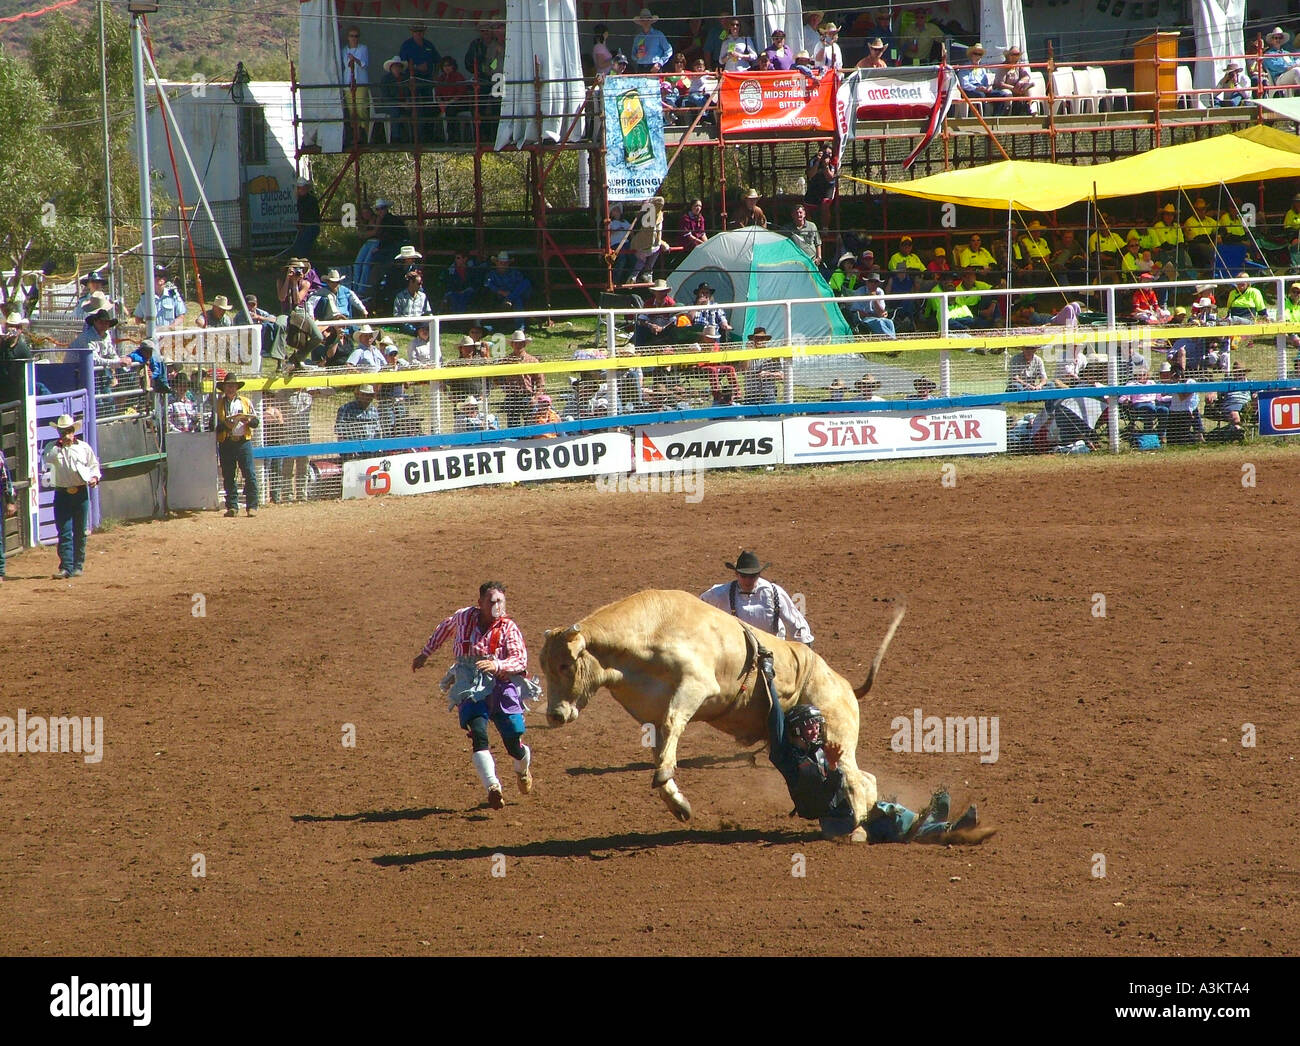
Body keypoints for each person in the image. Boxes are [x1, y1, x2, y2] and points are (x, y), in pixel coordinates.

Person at [767, 700, 989, 844]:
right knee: (894, 818)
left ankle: (929, 820)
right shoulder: (797, 764)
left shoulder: (817, 753)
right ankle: (948, 830)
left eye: (816, 724)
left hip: (850, 813)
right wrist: (833, 767)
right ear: (795, 730)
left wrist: (770, 680)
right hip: (840, 823)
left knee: (891, 812)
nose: (815, 729)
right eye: (809, 726)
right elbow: (823, 792)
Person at [411, 581, 534, 810]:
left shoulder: (508, 628)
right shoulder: (464, 617)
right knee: (478, 732)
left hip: (501, 685)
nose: (497, 605)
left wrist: (496, 664)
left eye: (500, 601)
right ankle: (493, 787)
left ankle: (522, 767)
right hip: (470, 683)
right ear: (480, 603)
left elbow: (520, 660)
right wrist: (425, 654)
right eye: (492, 601)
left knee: (513, 742)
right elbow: (444, 629)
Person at [699, 549, 813, 644]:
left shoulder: (774, 593)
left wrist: (805, 644)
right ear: (736, 574)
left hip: (774, 650)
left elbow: (795, 623)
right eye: (744, 576)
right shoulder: (719, 594)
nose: (748, 581)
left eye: (752, 576)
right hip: (737, 652)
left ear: (759, 575)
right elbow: (699, 609)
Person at [41, 414, 101, 579]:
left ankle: (77, 565)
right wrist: (59, 447)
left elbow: (94, 465)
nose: (66, 435)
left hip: (80, 492)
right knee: (64, 531)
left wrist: (94, 477)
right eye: (63, 432)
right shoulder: (52, 448)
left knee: (80, 531)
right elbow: (47, 461)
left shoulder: (83, 447)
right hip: (62, 493)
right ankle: (66, 566)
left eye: (68, 431)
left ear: (73, 431)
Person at [214, 374, 260, 517]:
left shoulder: (245, 402)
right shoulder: (218, 404)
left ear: (236, 388)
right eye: (228, 386)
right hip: (226, 442)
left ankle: (252, 506)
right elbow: (213, 426)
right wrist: (226, 425)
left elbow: (256, 422)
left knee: (249, 474)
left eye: (233, 386)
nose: (230, 388)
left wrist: (247, 421)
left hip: (243, 441)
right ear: (224, 388)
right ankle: (232, 506)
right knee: (228, 475)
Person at [500, 329, 543, 428]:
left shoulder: (533, 361)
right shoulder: (506, 361)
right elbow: (497, 378)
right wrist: (504, 387)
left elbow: (540, 381)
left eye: (521, 343)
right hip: (512, 396)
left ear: (524, 344)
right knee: (513, 426)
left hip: (528, 396)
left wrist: (536, 397)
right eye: (516, 343)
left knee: (530, 425)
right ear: (512, 345)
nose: (519, 346)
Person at [340, 25, 371, 145]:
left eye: (356, 36)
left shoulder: (363, 48)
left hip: (361, 82)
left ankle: (365, 133)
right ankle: (355, 135)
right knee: (352, 110)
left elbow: (364, 63)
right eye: (351, 36)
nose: (354, 38)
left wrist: (354, 59)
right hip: (348, 82)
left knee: (361, 108)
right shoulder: (344, 50)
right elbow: (345, 64)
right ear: (348, 37)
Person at [134, 265, 187, 331]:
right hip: (151, 337)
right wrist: (145, 328)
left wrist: (170, 328)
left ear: (165, 278)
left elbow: (181, 316)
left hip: (169, 336)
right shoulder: (145, 298)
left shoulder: (173, 295)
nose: (158, 278)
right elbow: (138, 318)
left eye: (161, 275)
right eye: (155, 275)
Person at [743, 328, 783, 404]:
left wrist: (768, 374)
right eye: (757, 338)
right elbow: (744, 370)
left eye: (762, 338)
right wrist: (747, 352)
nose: (759, 341)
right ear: (753, 340)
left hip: (768, 395)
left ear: (765, 340)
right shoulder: (748, 355)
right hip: (751, 395)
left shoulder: (772, 355)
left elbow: (781, 375)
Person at [994, 44, 1034, 116]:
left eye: (1017, 54)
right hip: (1005, 90)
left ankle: (1029, 109)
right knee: (1008, 93)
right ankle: (1007, 114)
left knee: (1028, 89)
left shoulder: (1018, 66)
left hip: (1017, 89)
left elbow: (1027, 76)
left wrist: (1021, 82)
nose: (1015, 57)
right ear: (1008, 55)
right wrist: (1013, 88)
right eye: (1013, 54)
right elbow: (1000, 84)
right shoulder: (1003, 67)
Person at [631, 9, 673, 73]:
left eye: (648, 20)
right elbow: (633, 55)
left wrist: (660, 63)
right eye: (643, 20)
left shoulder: (658, 34)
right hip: (641, 67)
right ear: (640, 22)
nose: (645, 22)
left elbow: (669, 50)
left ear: (651, 21)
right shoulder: (637, 37)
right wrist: (637, 56)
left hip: (655, 67)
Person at [392, 267, 430, 334]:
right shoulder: (400, 296)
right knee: (407, 327)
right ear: (411, 283)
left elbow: (428, 312)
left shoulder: (423, 296)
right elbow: (396, 314)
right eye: (418, 284)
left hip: (420, 322)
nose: (420, 286)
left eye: (421, 283)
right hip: (406, 323)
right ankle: (417, 333)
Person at [291, 177, 321, 258]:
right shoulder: (300, 200)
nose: (300, 190)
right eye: (299, 188)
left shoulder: (311, 200)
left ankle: (306, 264)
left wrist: (302, 223)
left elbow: (314, 216)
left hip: (311, 227)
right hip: (305, 227)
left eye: (302, 188)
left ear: (306, 188)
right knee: (298, 247)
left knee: (302, 249)